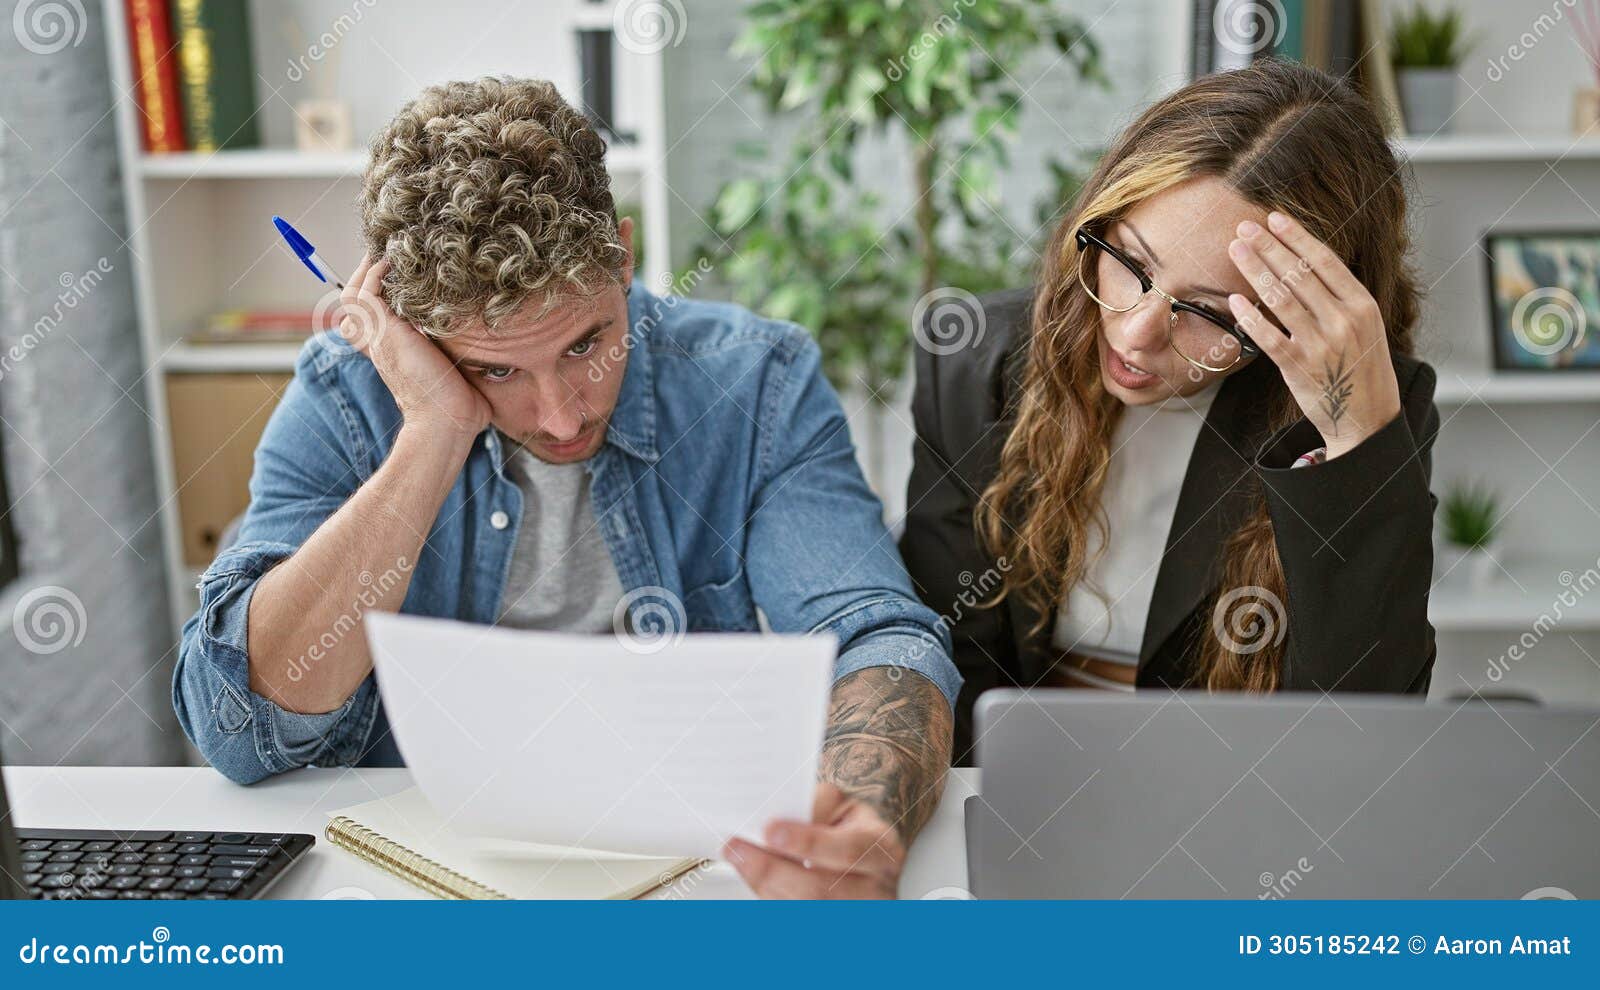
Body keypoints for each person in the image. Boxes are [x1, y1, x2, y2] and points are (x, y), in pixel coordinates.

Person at [172, 77, 959, 898]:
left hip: (695, 874)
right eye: (496, 368)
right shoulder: (348, 397)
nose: (559, 417)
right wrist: (433, 433)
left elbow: (876, 636)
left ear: (622, 258)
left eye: (586, 345)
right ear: (412, 331)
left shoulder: (754, 383)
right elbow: (242, 727)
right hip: (418, 888)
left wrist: (863, 817)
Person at [901, 59, 1440, 762]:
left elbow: (1359, 729)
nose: (1135, 331)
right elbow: (949, 658)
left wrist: (1355, 437)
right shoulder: (978, 364)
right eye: (1129, 263)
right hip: (1013, 776)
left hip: (1227, 796)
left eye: (1206, 312)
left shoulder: (1360, 412)